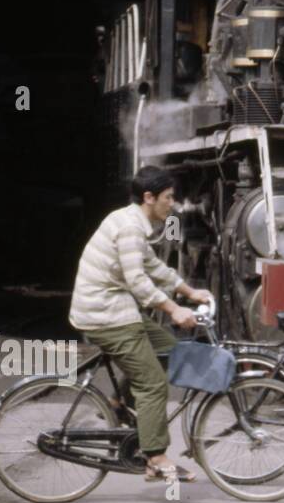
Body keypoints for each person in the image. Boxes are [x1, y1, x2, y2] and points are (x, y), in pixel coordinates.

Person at [69, 166, 214, 483]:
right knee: (152, 384)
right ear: (149, 197)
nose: (172, 205)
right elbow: (137, 280)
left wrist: (189, 291)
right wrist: (174, 309)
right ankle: (156, 457)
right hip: (105, 315)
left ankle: (117, 402)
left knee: (170, 351)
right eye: (168, 198)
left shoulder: (131, 221)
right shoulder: (131, 228)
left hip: (113, 309)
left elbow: (152, 267)